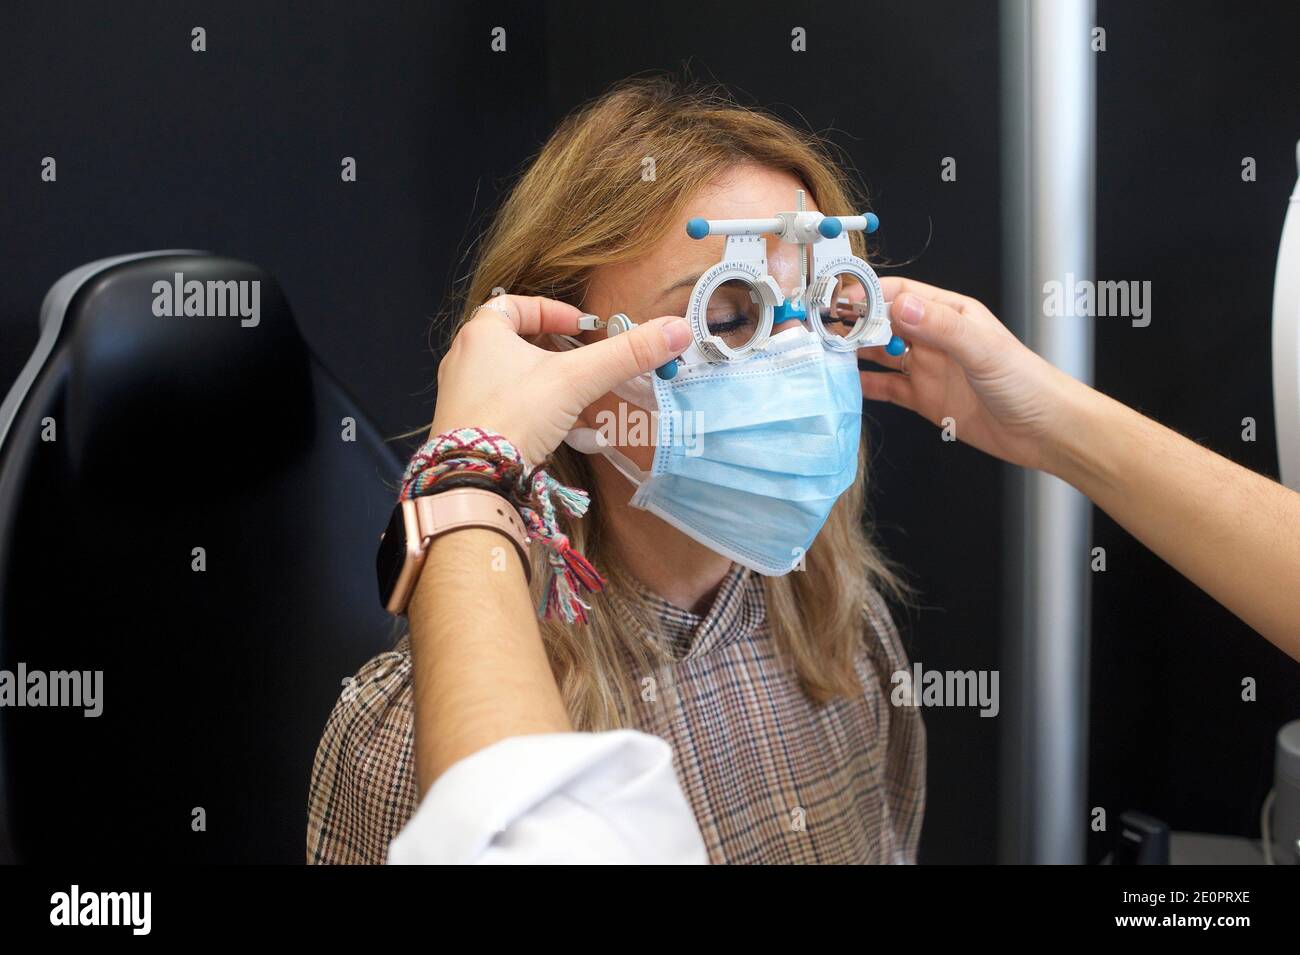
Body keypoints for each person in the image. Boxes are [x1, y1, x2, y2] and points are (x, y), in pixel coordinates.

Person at [308, 77, 925, 865]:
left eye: (827, 302)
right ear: (562, 364)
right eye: (730, 316)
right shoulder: (403, 741)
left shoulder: (847, 628)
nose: (801, 362)